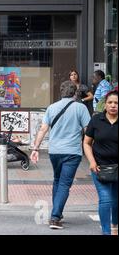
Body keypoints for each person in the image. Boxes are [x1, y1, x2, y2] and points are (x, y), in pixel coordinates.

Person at [31, 81, 91, 230]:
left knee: (57, 180)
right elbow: (88, 130)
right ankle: (55, 217)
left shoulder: (52, 107)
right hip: (72, 152)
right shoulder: (81, 108)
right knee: (65, 184)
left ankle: (57, 212)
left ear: (61, 92)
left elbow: (43, 129)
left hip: (55, 151)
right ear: (75, 93)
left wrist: (35, 148)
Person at [83, 90, 118, 235]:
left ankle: (115, 225)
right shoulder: (96, 120)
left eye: (116, 103)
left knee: (116, 200)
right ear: (105, 105)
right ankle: (106, 232)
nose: (113, 105)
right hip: (99, 167)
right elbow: (86, 143)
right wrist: (91, 162)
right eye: (110, 102)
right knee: (105, 199)